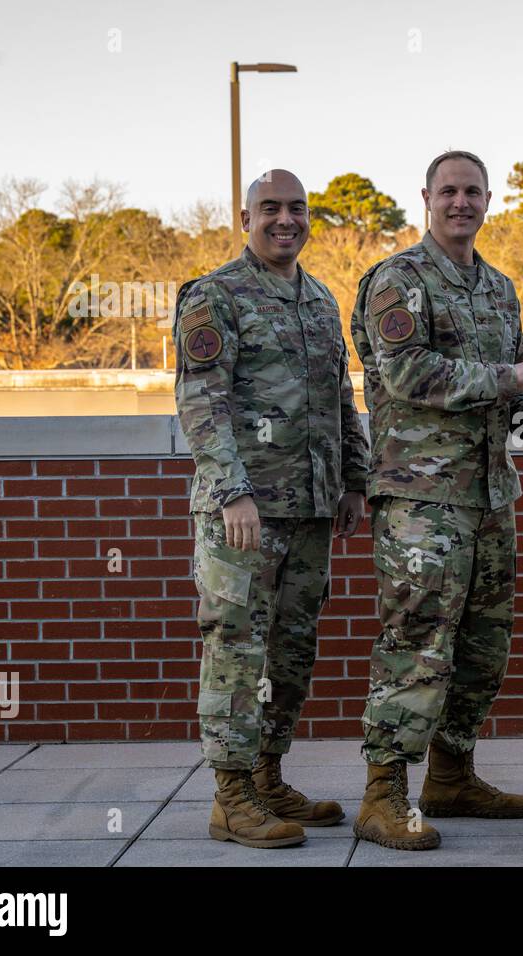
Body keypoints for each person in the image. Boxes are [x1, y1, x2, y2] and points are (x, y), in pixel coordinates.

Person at [349, 150, 523, 851]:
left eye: (473, 191)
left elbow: (512, 394)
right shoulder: (399, 280)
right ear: (427, 198)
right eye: (449, 191)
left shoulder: (499, 288)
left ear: (488, 200)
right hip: (422, 499)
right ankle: (384, 793)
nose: (461, 203)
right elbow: (408, 372)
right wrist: (509, 376)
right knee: (416, 642)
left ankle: (452, 774)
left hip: (490, 495)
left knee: (483, 645)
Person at [174, 169, 369, 849]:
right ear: (245, 216)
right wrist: (232, 492)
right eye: (270, 209)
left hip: (311, 508)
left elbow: (341, 397)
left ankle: (267, 775)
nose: (284, 220)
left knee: (291, 651)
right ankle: (231, 797)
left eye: (296, 209)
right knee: (236, 648)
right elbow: (203, 404)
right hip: (245, 514)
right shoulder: (215, 295)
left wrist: (352, 479)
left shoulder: (318, 298)